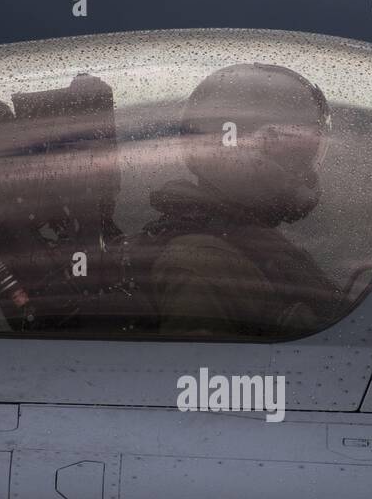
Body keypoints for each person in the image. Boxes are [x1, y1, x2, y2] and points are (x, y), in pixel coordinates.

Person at [136, 63, 341, 339]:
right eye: (291, 152)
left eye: (306, 153)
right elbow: (201, 378)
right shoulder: (202, 263)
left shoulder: (245, 241)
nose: (304, 172)